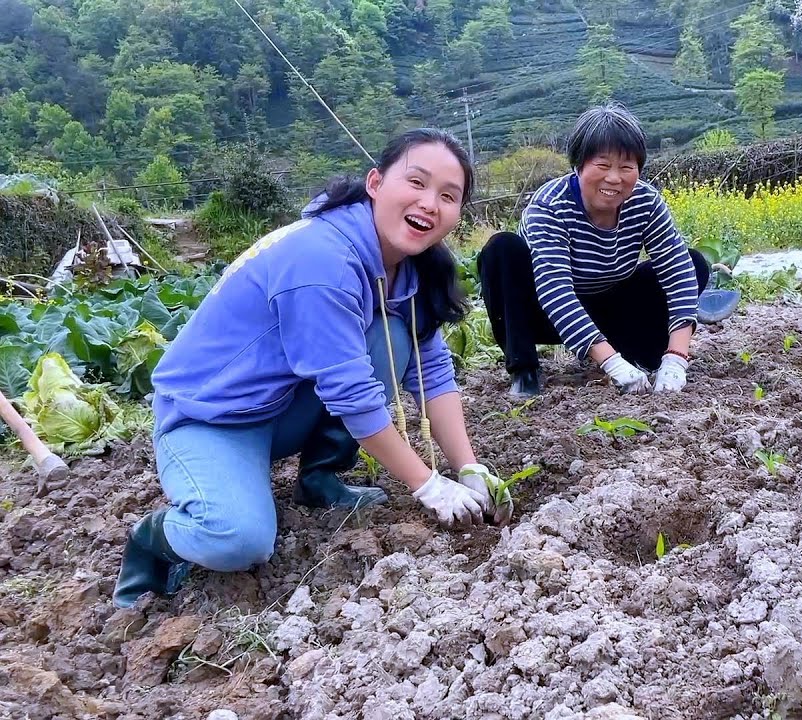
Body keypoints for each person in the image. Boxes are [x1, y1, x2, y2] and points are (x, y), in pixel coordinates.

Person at [112, 129, 506, 609]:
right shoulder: (324, 259)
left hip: (280, 407)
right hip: (209, 418)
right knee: (239, 539)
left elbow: (432, 373)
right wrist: (427, 484)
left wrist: (467, 467)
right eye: (417, 182)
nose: (429, 203)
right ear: (376, 183)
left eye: (448, 196)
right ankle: (151, 541)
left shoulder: (409, 264)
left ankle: (319, 479)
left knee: (395, 337)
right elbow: (353, 396)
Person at [477, 102, 710, 398]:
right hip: (549, 315)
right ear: (579, 165)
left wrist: (677, 356)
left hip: (612, 304)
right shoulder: (549, 207)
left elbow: (677, 271)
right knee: (501, 249)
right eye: (602, 165)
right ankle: (525, 371)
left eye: (627, 167)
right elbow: (555, 291)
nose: (614, 178)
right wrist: (610, 363)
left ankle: (644, 355)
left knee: (693, 263)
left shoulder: (646, 202)